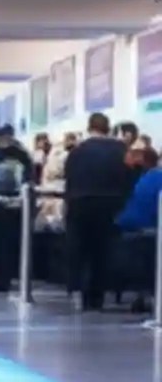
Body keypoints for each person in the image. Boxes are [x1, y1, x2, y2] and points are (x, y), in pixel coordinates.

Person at [65, 112, 134, 310]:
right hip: (110, 205)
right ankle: (97, 296)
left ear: (89, 128)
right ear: (108, 128)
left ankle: (78, 291)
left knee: (79, 250)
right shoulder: (121, 150)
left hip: (80, 204)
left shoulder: (77, 151)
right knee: (102, 252)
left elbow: (70, 180)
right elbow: (129, 179)